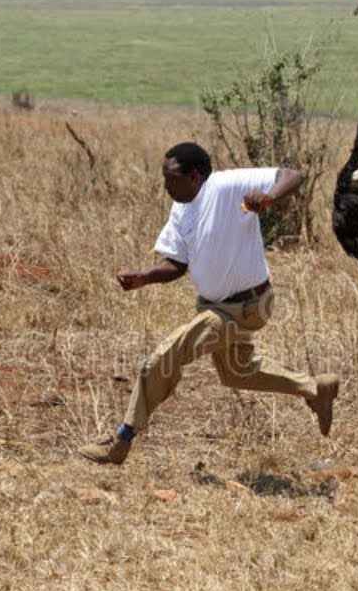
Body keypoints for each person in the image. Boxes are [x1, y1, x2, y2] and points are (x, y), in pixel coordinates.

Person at [78, 141, 339, 465]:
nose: (166, 186)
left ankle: (121, 440)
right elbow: (177, 263)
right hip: (215, 307)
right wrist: (145, 277)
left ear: (195, 176)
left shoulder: (225, 186)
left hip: (246, 307)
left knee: (162, 359)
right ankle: (315, 388)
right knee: (238, 373)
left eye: (172, 178)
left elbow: (293, 175)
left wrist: (269, 197)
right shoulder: (181, 209)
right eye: (164, 178)